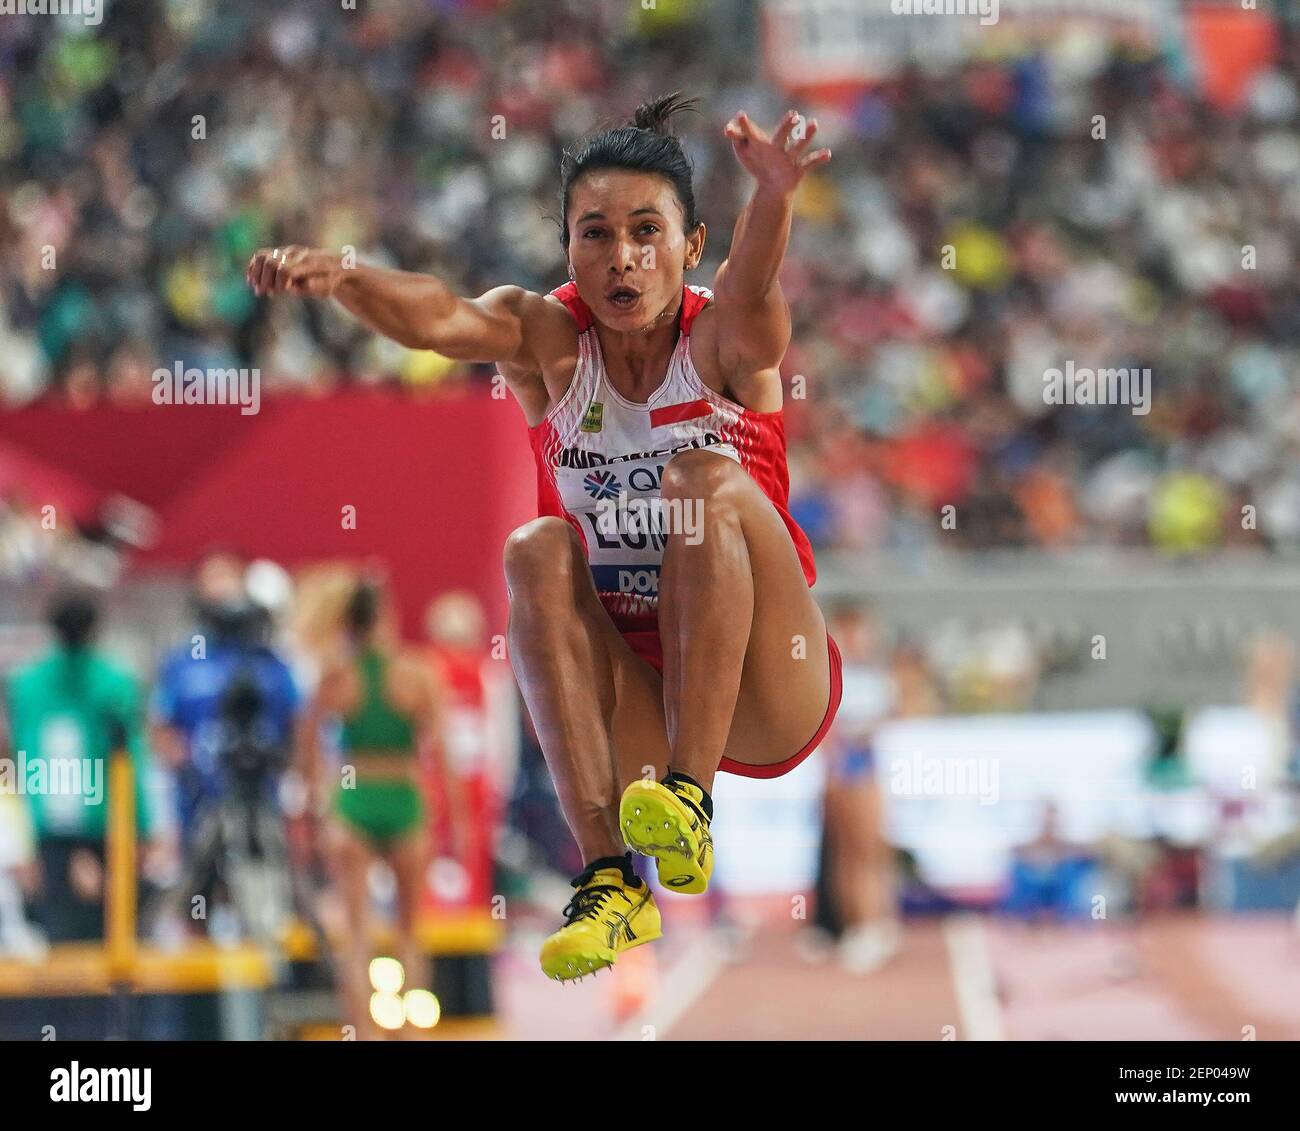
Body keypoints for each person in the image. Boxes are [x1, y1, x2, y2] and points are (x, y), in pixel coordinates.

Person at [247, 92, 843, 981]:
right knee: (534, 546)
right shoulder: (547, 339)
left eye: (648, 232)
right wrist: (345, 276)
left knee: (700, 478)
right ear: (567, 246)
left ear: (692, 246)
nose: (622, 258)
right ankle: (610, 878)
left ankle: (690, 798)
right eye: (594, 233)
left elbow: (758, 290)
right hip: (641, 689)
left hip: (765, 683)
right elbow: (443, 318)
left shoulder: (722, 337)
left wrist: (778, 197)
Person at [296, 570, 464, 1038]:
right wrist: (459, 828)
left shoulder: (335, 678)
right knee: (411, 932)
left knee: (357, 933)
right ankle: (410, 1033)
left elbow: (306, 754)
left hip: (353, 798)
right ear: (386, 617)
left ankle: (366, 1033)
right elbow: (444, 758)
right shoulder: (417, 673)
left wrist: (315, 811)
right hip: (405, 796)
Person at [5, 592, 156, 943]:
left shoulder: (27, 684)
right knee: (107, 932)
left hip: (54, 827)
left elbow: (20, 755)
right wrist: (143, 828)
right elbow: (130, 757)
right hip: (104, 825)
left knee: (66, 934)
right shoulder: (115, 681)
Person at [819, 605, 902, 974]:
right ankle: (858, 926)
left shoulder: (875, 675)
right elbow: (828, 729)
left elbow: (890, 715)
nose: (860, 640)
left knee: (873, 850)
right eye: (851, 633)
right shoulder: (832, 674)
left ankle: (878, 919)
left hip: (868, 768)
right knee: (849, 854)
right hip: (845, 770)